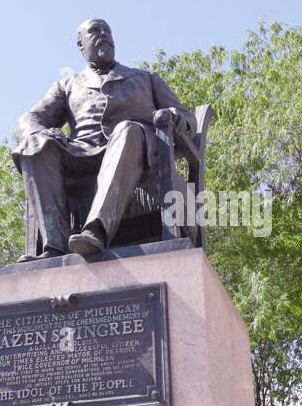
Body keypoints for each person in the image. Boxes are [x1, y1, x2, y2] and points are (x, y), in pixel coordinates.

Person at [13, 18, 196, 260]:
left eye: (107, 31)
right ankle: (55, 246)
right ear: (81, 44)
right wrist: (37, 133)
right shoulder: (67, 85)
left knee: (126, 128)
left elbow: (187, 118)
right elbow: (30, 118)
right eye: (95, 31)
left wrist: (174, 116)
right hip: (82, 154)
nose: (103, 35)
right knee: (34, 145)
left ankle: (95, 231)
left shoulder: (145, 78)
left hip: (138, 151)